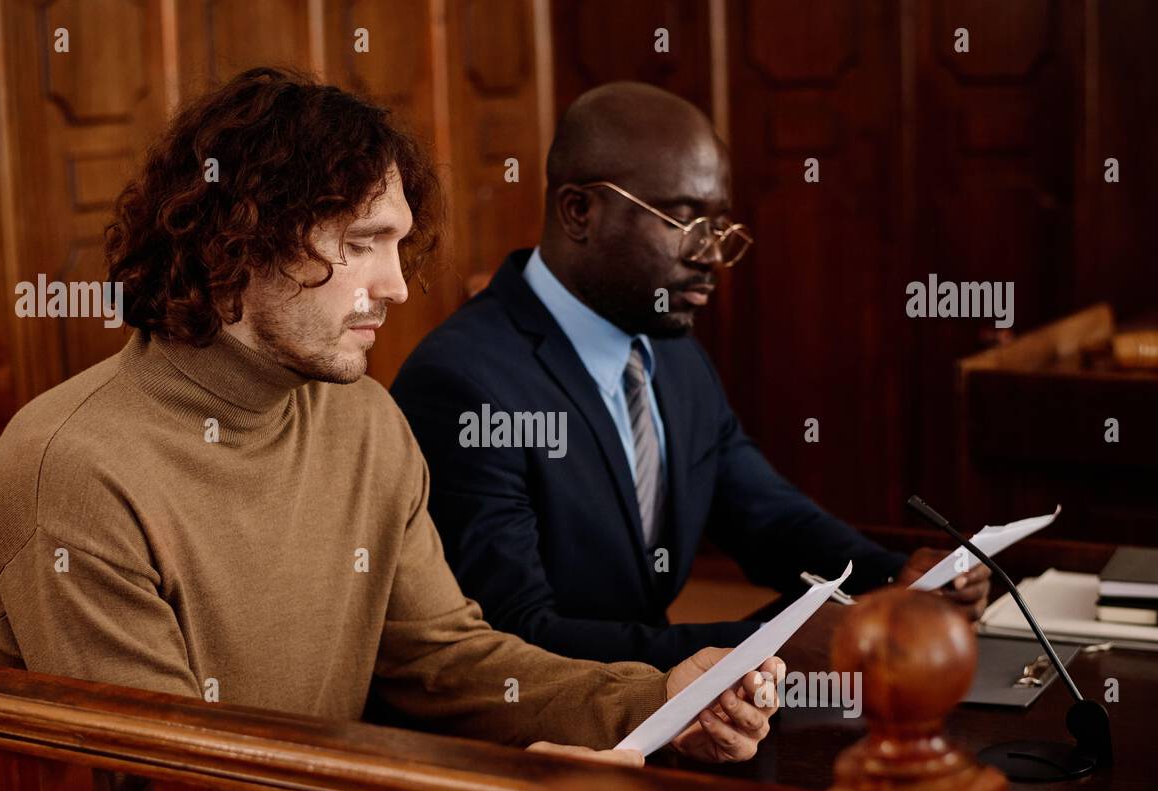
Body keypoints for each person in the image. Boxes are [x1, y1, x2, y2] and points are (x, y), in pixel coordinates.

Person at [0, 69, 782, 791]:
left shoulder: (363, 417)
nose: (394, 285)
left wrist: (659, 698)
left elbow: (446, 662)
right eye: (360, 245)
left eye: (396, 244)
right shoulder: (71, 469)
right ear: (235, 243)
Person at [392, 82, 989, 671]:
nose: (710, 254)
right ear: (581, 212)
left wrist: (897, 576)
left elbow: (766, 518)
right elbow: (514, 642)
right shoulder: (464, 385)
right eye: (683, 221)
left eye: (720, 226)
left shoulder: (669, 350)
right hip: (545, 739)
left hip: (660, 706)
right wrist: (765, 645)